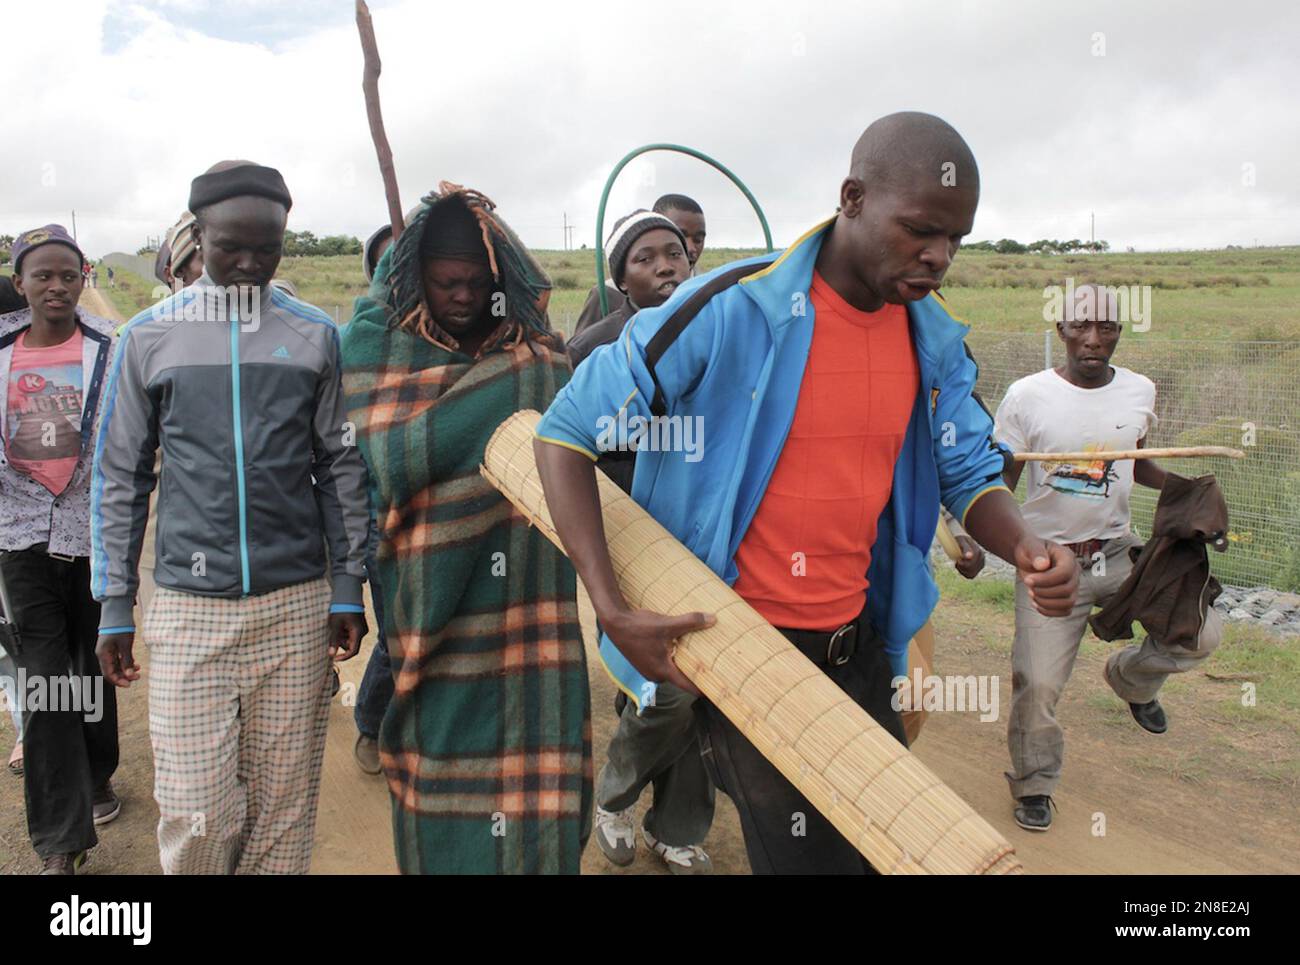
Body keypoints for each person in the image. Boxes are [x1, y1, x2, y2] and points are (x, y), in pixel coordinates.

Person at [533, 112, 1080, 874]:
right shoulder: (729, 307)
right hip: (745, 647)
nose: (940, 256)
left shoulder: (932, 339)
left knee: (883, 839)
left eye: (956, 238)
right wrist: (613, 606)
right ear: (851, 198)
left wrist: (1022, 543)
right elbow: (562, 434)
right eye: (921, 230)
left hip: (859, 639)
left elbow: (970, 471)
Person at [91, 160, 372, 875]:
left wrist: (347, 587)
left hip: (296, 602)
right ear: (196, 238)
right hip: (189, 606)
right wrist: (114, 604)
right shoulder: (148, 339)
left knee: (283, 806)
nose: (249, 264)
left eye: (267, 247)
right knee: (199, 809)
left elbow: (339, 465)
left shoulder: (313, 334)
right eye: (230, 247)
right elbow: (121, 474)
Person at [340, 183, 591, 874]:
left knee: (537, 747)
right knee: (439, 740)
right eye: (445, 282)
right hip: (430, 591)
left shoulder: (536, 354)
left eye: (476, 282)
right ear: (417, 277)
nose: (461, 296)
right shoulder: (375, 341)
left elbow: (556, 429)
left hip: (526, 596)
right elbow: (393, 454)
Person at [993, 283, 1222, 832]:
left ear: (1119, 332)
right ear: (1061, 332)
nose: (1094, 339)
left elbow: (1135, 464)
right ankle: (1034, 784)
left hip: (1118, 554)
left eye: (1107, 328)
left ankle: (1131, 681)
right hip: (1050, 563)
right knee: (1039, 683)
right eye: (1081, 327)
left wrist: (1190, 492)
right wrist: (988, 542)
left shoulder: (1140, 390)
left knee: (1199, 634)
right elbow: (1004, 476)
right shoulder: (1026, 396)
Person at [567, 209, 717, 872]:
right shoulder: (595, 349)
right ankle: (616, 795)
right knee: (668, 682)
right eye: (645, 257)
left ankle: (677, 825)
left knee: (712, 683)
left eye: (675, 254)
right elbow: (567, 448)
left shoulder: (722, 332)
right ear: (620, 278)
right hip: (631, 539)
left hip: (711, 535)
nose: (665, 266)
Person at [1, 224, 120, 874]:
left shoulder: (111, 350)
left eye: (67, 274)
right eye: (41, 274)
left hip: (93, 537)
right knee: (46, 679)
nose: (55, 285)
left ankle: (99, 770)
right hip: (20, 540)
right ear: (19, 282)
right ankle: (59, 840)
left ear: (84, 278)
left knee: (92, 662)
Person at [572, 193, 707, 337]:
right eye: (645, 259)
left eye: (698, 239)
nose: (691, 248)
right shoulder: (607, 294)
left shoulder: (708, 293)